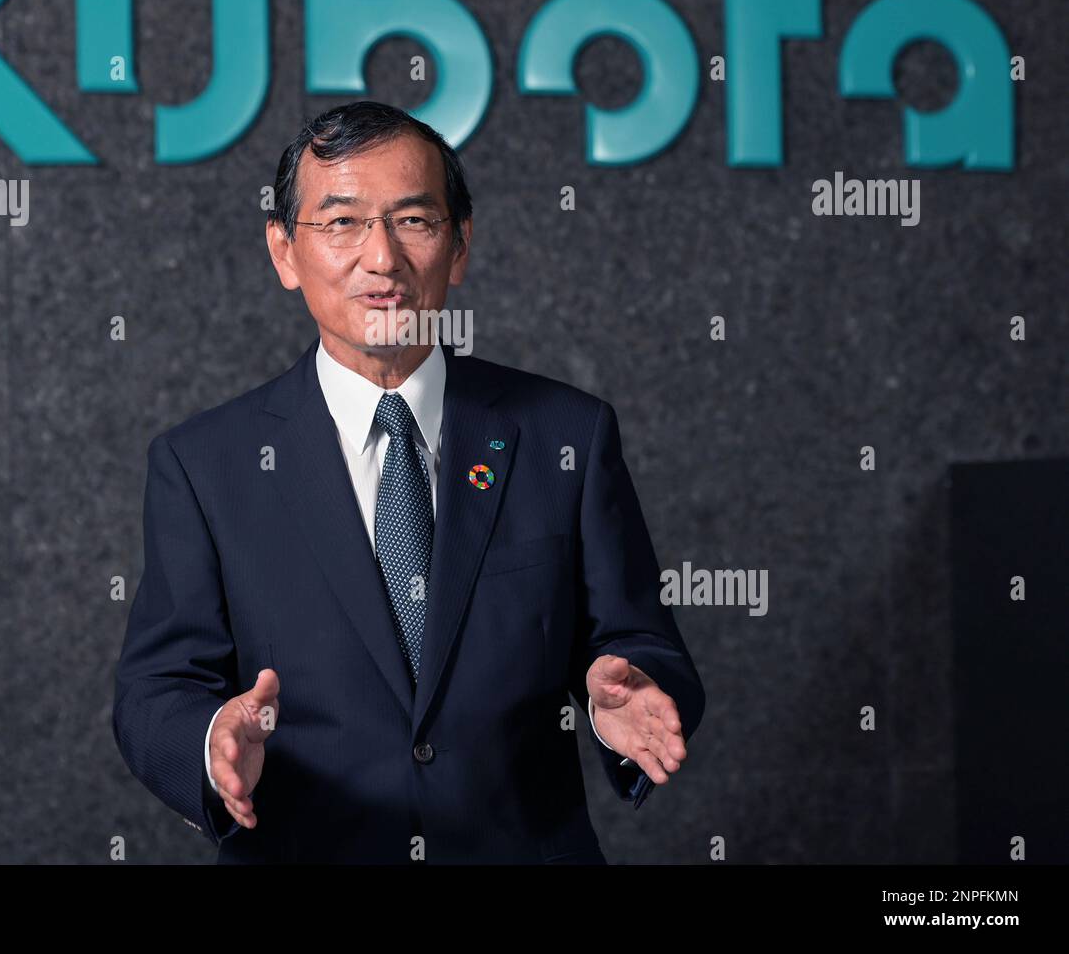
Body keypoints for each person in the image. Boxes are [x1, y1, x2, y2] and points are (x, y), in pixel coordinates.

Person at [112, 100, 706, 864]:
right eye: (342, 223)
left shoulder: (566, 434)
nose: (382, 259)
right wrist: (209, 742)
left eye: (414, 221)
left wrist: (618, 700)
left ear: (459, 247)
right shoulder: (204, 465)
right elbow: (156, 687)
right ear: (285, 253)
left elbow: (640, 642)